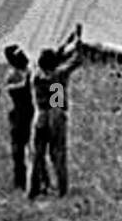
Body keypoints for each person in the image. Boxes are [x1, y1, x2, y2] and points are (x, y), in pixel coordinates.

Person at [29, 28, 83, 198]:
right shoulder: (59, 74)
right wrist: (78, 43)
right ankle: (62, 189)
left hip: (40, 114)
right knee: (58, 153)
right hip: (56, 113)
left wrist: (66, 43)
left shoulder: (36, 75)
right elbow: (76, 60)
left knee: (37, 155)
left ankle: (34, 189)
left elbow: (54, 59)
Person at [3, 45, 34, 191]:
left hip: (29, 113)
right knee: (19, 150)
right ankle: (21, 181)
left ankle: (35, 179)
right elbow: (16, 90)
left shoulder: (30, 72)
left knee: (33, 149)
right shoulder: (14, 75)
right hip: (21, 114)